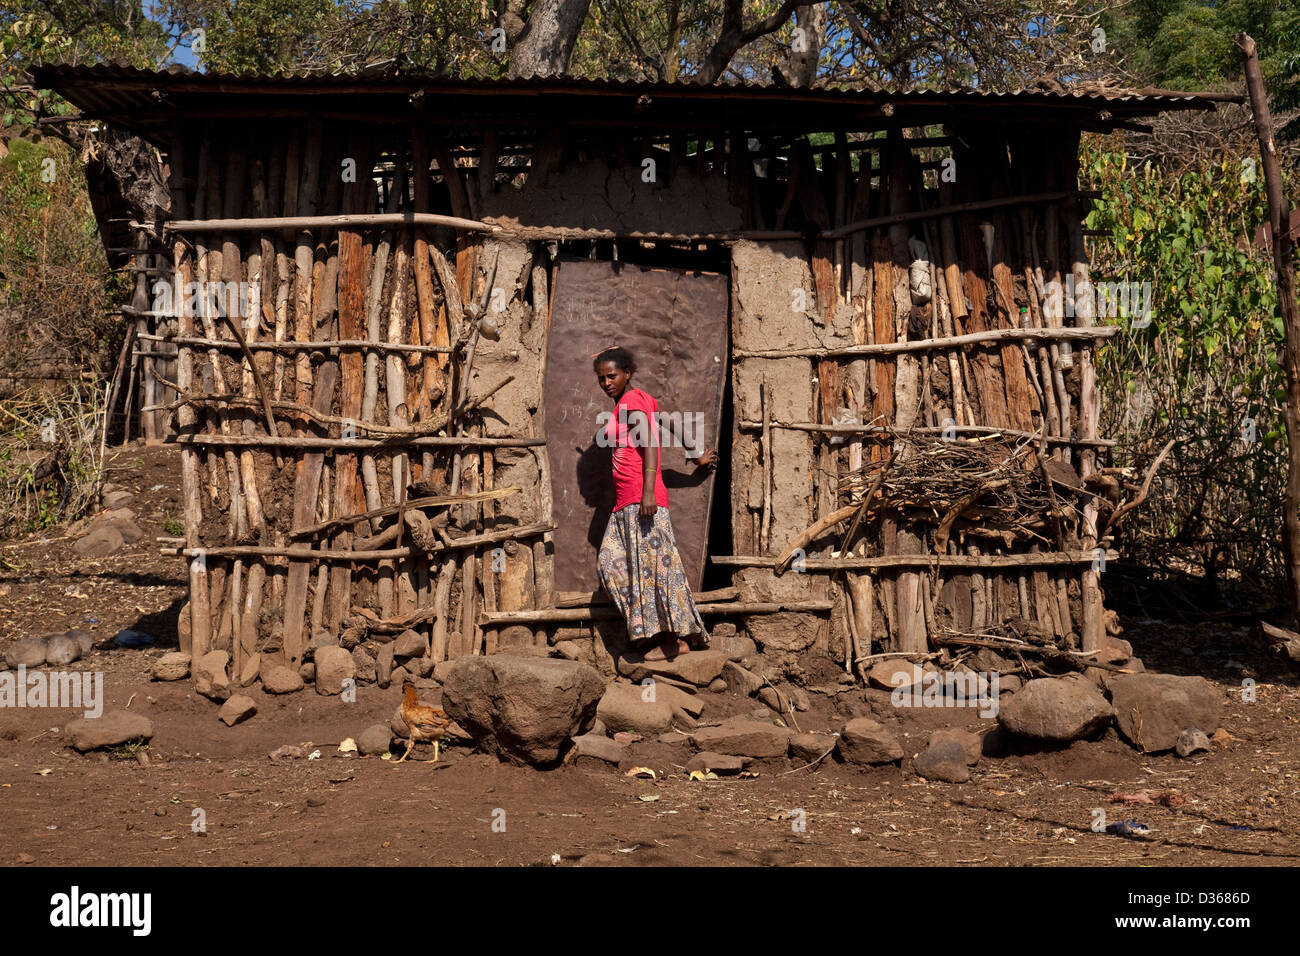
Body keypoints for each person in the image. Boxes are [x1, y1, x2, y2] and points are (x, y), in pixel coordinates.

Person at [592, 346, 718, 661]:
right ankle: (650, 630)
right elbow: (670, 423)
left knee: (655, 569)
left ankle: (671, 639)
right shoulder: (638, 401)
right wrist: (694, 453)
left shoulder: (633, 402)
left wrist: (648, 491)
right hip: (627, 503)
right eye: (601, 378)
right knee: (612, 563)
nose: (607, 382)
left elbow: (650, 440)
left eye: (612, 376)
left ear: (627, 374)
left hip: (640, 499)